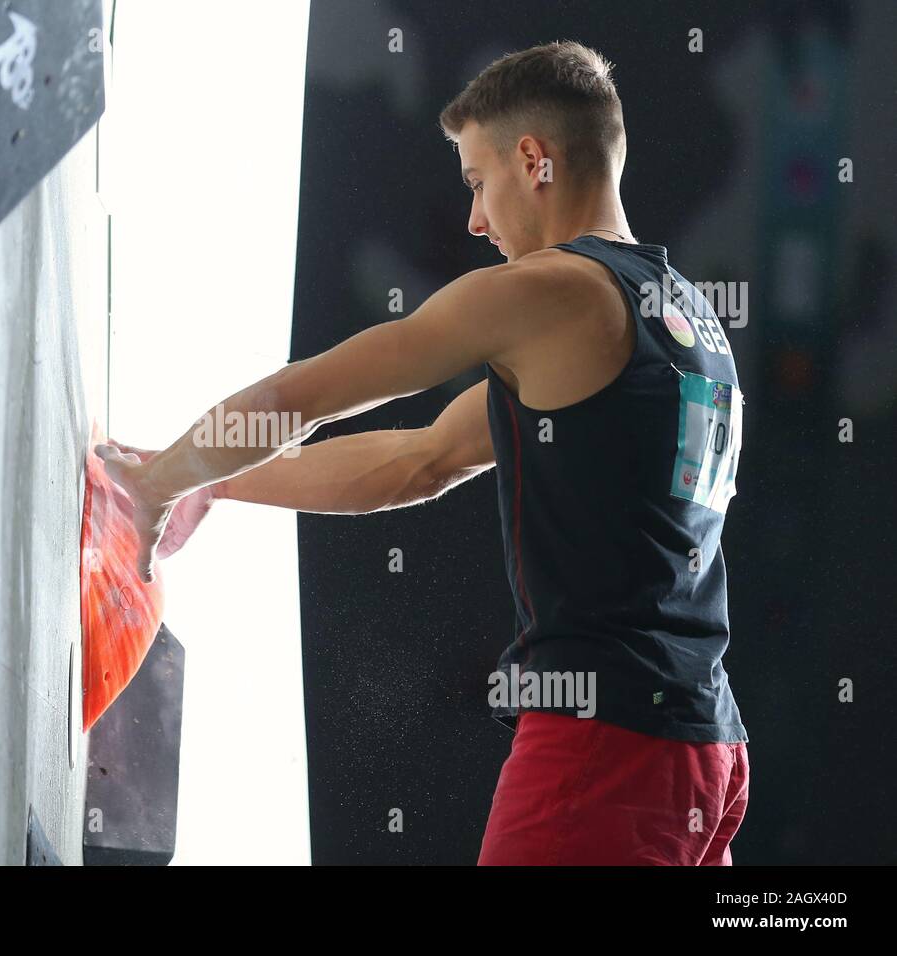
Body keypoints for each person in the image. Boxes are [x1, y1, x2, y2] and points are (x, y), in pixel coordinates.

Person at [95, 40, 749, 865]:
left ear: (533, 161)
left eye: (479, 182)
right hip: (700, 751)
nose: (475, 220)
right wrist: (216, 486)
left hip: (603, 751)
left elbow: (308, 395)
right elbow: (417, 461)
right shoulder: (686, 321)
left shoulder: (551, 293)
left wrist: (155, 483)